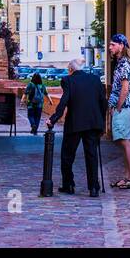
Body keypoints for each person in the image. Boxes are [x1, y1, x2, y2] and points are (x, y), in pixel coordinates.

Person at [47, 56, 108, 197]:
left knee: (67, 155)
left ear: (70, 69)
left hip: (75, 123)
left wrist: (53, 119)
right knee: (91, 155)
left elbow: (64, 101)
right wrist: (101, 122)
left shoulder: (68, 80)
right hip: (93, 123)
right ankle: (94, 188)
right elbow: (103, 102)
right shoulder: (95, 79)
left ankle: (68, 184)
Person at [107, 33, 130, 189]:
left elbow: (125, 89)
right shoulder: (120, 63)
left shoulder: (125, 63)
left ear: (121, 46)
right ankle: (127, 176)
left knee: (126, 141)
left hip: (125, 108)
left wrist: (118, 108)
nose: (110, 48)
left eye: (113, 45)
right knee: (123, 140)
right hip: (122, 108)